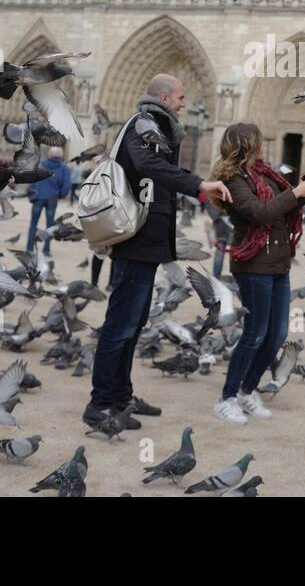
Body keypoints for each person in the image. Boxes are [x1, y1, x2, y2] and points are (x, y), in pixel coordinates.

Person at [85, 74, 233, 430]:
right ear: (165, 97)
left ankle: (121, 397)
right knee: (120, 325)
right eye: (181, 97)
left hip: (147, 241)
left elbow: (159, 170)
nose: (184, 103)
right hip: (134, 240)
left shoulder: (158, 126)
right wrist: (199, 184)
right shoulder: (143, 123)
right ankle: (99, 403)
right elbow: (149, 166)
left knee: (133, 325)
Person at [210, 122, 305, 424]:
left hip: (278, 261)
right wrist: (294, 192)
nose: (265, 146)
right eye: (259, 142)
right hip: (254, 263)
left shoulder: (266, 174)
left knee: (277, 334)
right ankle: (227, 398)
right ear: (246, 146)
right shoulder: (232, 180)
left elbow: (286, 208)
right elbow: (261, 212)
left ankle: (247, 390)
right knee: (255, 334)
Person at [27, 146, 72, 256]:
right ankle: (46, 250)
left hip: (38, 197)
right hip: (52, 198)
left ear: (49, 154)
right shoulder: (64, 168)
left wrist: (31, 195)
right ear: (61, 156)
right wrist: (60, 195)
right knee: (50, 226)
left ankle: (29, 249)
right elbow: (66, 185)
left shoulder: (39, 164)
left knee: (33, 224)